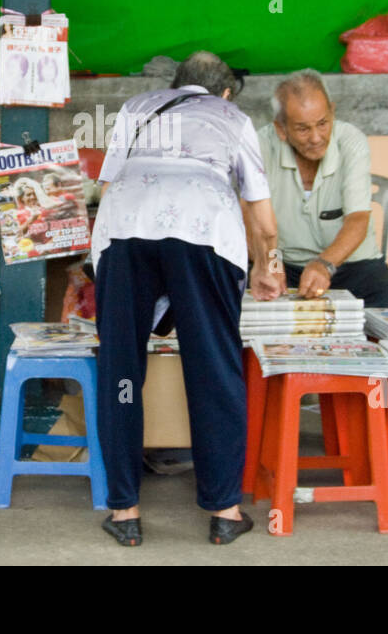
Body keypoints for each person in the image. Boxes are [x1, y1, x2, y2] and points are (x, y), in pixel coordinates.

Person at [92, 51, 283, 548]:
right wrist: (269, 268)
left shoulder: (137, 107)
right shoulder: (233, 117)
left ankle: (124, 511)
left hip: (125, 231)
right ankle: (224, 511)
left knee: (121, 371)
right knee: (213, 366)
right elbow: (261, 216)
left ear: (176, 85)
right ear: (224, 92)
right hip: (203, 233)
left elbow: (109, 184)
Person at [257, 70, 388, 307]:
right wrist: (269, 262)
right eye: (302, 129)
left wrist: (324, 264)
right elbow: (248, 216)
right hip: (283, 263)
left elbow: (357, 219)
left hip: (349, 265)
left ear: (332, 111)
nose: (316, 138)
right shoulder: (260, 144)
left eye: (323, 123)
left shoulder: (351, 141)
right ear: (281, 128)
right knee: (234, 299)